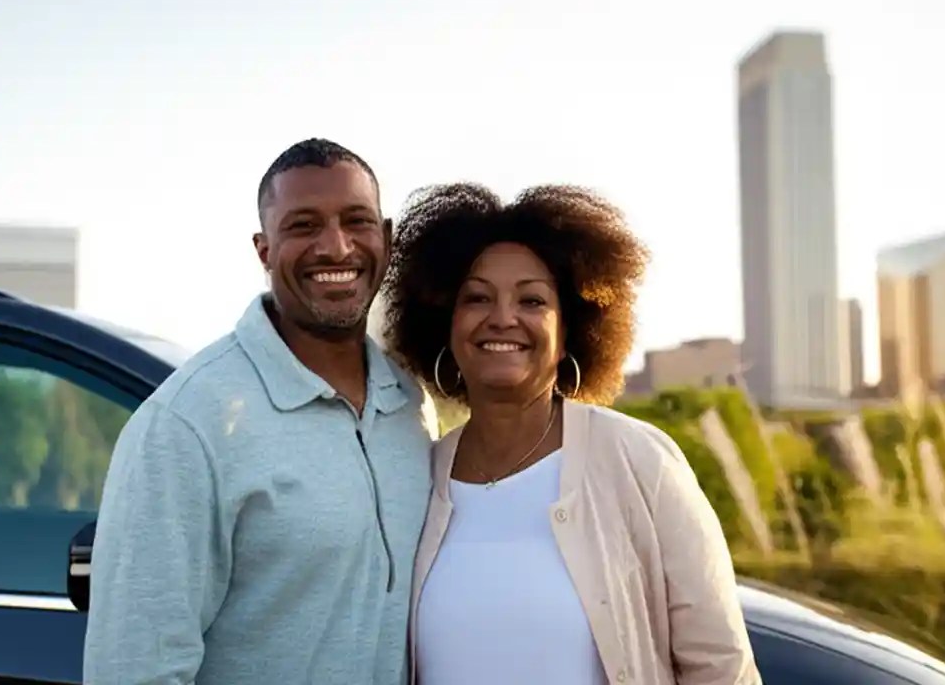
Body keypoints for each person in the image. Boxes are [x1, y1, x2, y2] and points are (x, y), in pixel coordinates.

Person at [82, 138, 436, 685]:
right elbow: (135, 669)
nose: (336, 247)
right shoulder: (185, 424)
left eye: (356, 220)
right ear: (264, 249)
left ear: (386, 239)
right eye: (303, 226)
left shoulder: (410, 406)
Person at [380, 183, 761, 685]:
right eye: (477, 298)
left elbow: (722, 668)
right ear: (446, 328)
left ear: (570, 334)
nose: (502, 318)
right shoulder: (418, 478)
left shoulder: (637, 460)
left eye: (532, 300)